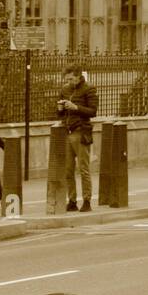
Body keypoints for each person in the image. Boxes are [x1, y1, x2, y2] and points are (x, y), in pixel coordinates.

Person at [58, 65, 97, 212]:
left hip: (81, 131)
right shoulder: (65, 90)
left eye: (71, 79)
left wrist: (76, 107)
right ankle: (72, 200)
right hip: (67, 131)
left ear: (79, 76)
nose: (68, 82)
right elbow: (59, 114)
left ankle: (87, 201)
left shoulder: (89, 89)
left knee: (83, 169)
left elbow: (93, 112)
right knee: (68, 170)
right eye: (66, 79)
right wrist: (60, 109)